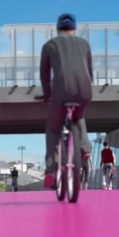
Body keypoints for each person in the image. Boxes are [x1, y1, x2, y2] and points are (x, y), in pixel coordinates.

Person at [37, 13, 94, 188]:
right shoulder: (84, 44)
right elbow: (90, 72)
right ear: (74, 28)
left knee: (54, 129)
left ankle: (52, 169)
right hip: (84, 89)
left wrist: (47, 95)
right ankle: (85, 150)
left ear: (57, 28)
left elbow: (45, 74)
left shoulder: (49, 45)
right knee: (79, 117)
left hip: (60, 91)